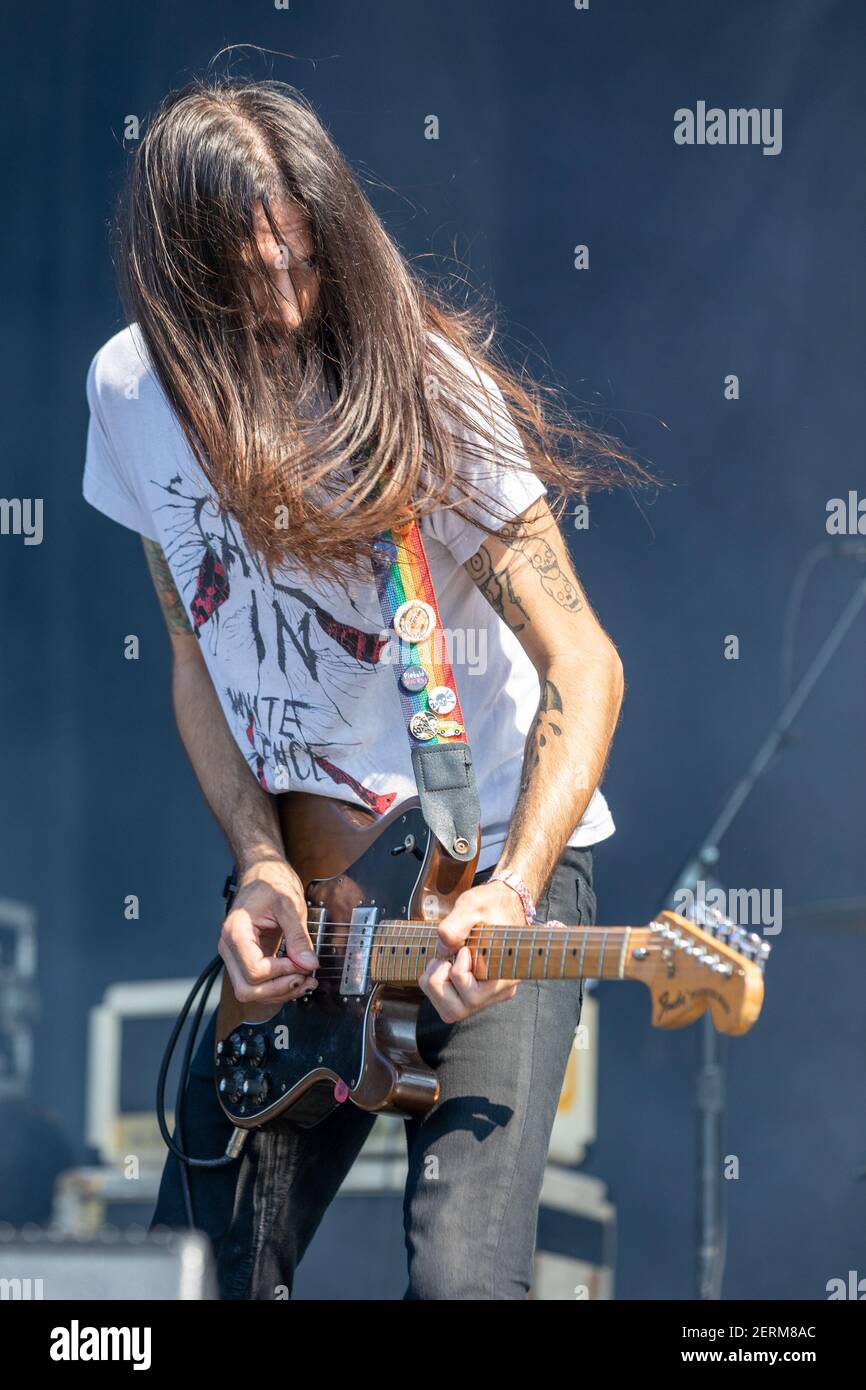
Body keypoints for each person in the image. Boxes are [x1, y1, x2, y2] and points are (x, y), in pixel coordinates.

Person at [83, 77, 635, 1300]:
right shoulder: (130, 395)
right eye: (245, 278)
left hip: (486, 872)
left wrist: (512, 886)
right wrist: (263, 867)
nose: (282, 307)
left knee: (459, 1280)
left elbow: (584, 664)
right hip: (316, 899)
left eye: (303, 264)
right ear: (178, 284)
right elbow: (193, 661)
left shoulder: (426, 398)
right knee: (189, 1275)